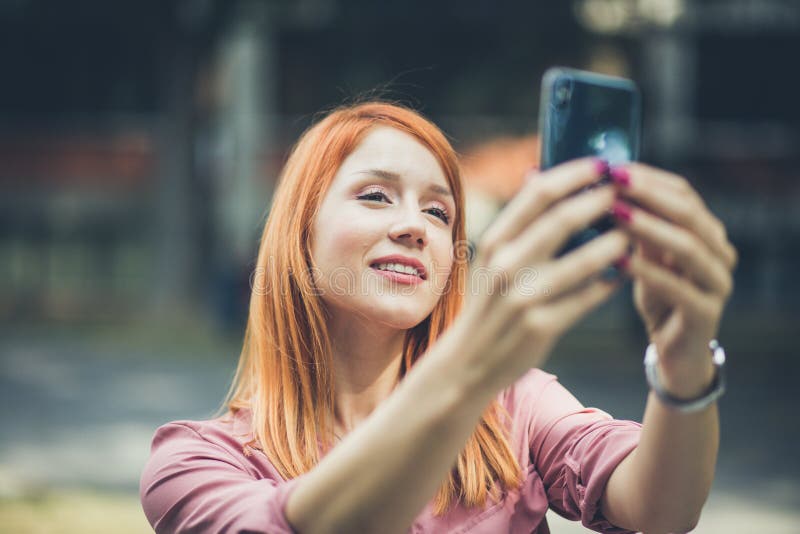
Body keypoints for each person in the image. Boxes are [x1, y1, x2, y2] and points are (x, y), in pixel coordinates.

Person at [139, 102, 737, 533]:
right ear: (300, 235)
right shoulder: (195, 463)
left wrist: (685, 357)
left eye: (439, 212)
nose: (415, 227)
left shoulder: (513, 403)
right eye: (376, 195)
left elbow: (662, 511)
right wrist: (472, 362)